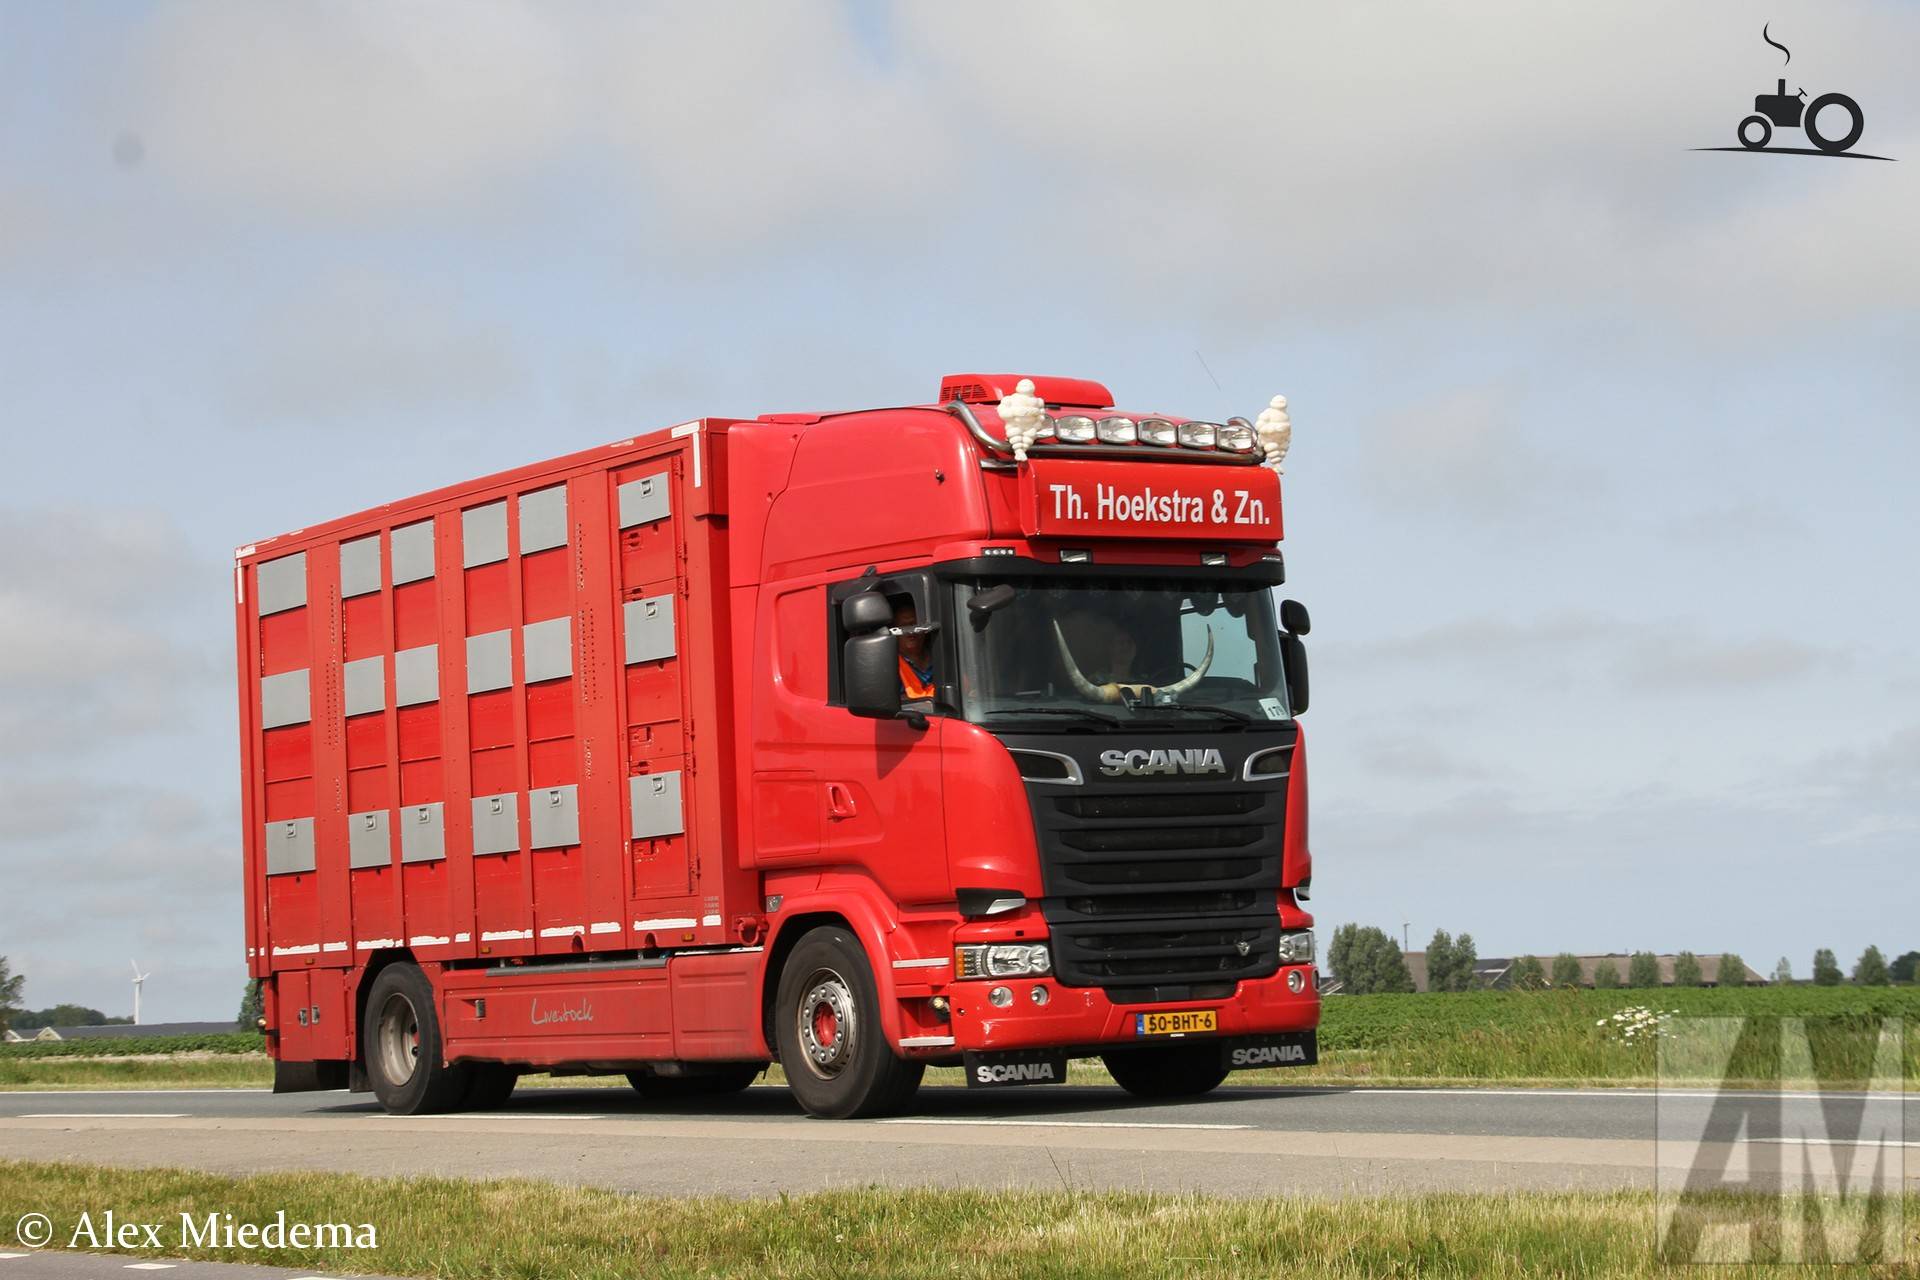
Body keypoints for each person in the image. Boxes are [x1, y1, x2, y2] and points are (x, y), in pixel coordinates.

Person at [893, 598, 935, 701]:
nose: (911, 631)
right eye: (904, 626)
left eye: (914, 625)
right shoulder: (889, 665)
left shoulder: (942, 655)